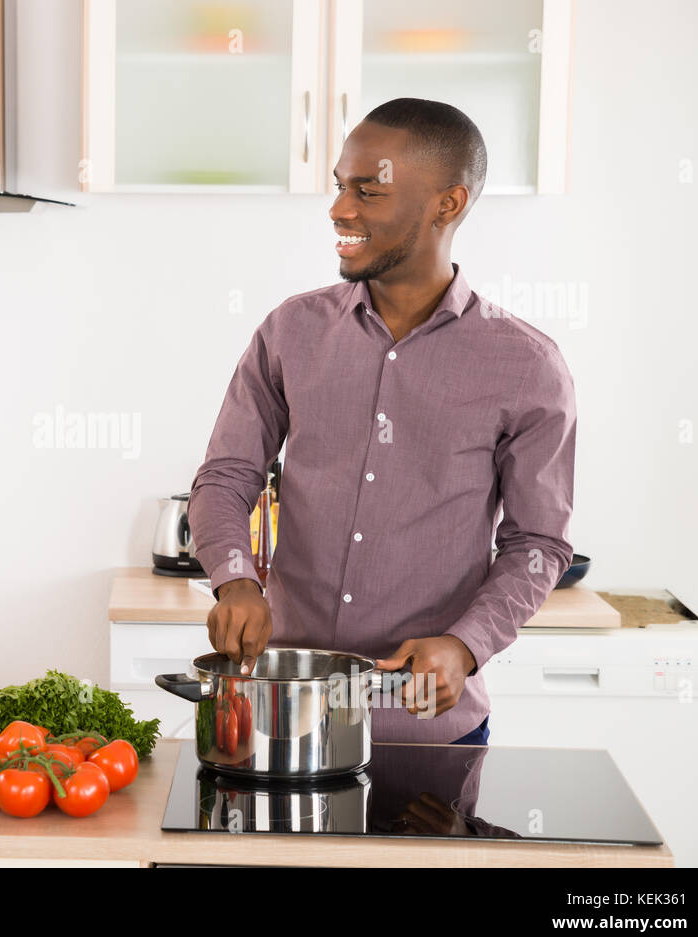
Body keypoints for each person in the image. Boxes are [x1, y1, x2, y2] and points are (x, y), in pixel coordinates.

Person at [188, 98, 576, 744]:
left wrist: (465, 644)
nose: (340, 209)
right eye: (341, 186)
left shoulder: (528, 366)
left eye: (368, 191)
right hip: (285, 718)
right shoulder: (291, 330)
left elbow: (538, 543)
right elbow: (227, 475)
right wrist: (235, 580)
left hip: (428, 730)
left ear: (447, 205)